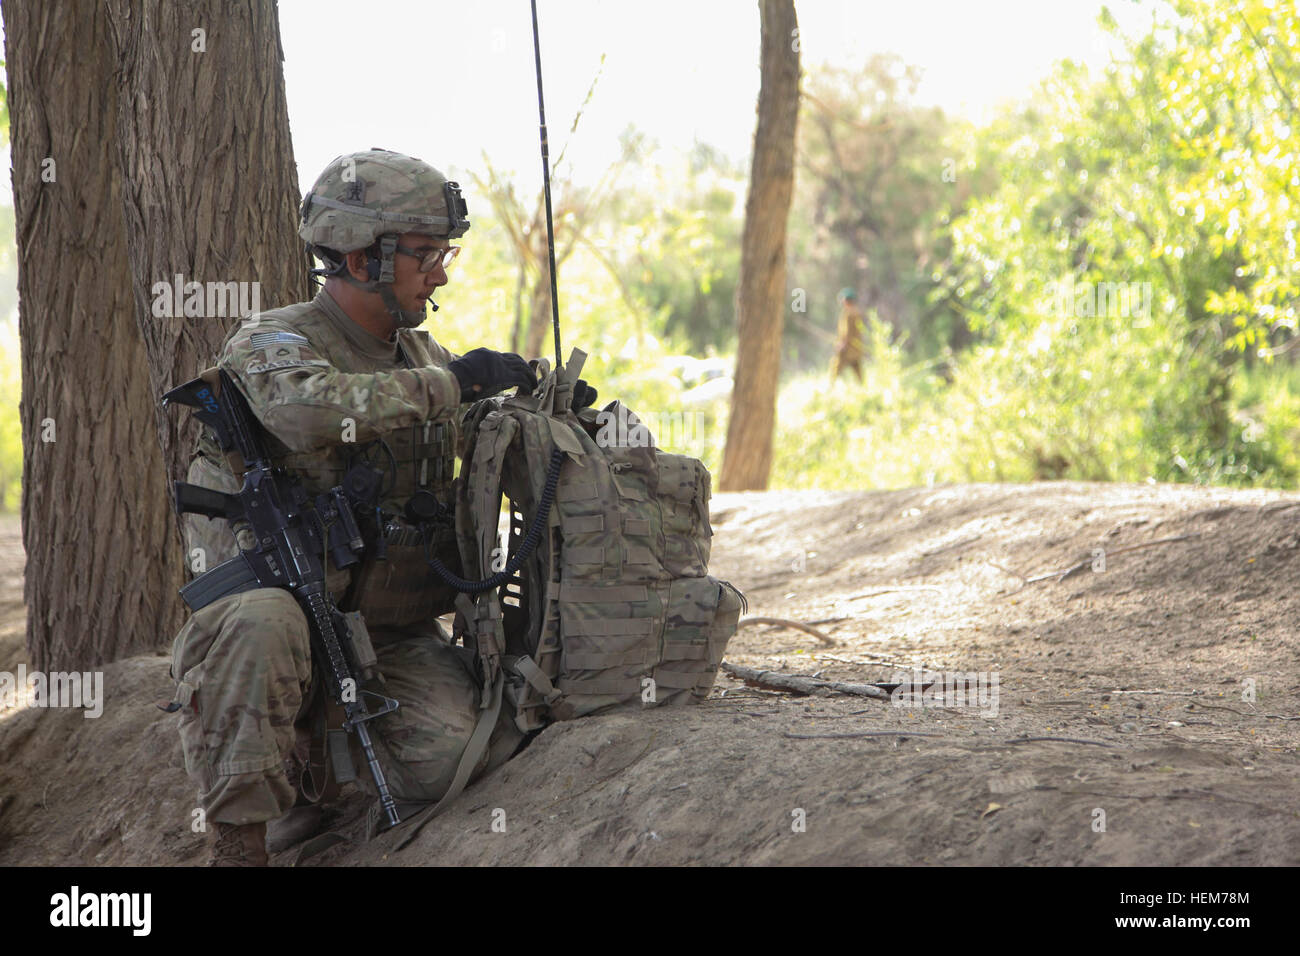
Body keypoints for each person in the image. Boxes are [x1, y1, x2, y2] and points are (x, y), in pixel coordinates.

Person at [166, 148, 563, 866]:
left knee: (462, 756)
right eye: (425, 254)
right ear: (359, 259)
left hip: (386, 636)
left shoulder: (421, 356)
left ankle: (330, 779)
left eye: (445, 252)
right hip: (275, 621)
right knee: (260, 623)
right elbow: (306, 410)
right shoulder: (273, 341)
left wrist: (536, 418)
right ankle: (241, 840)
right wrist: (454, 384)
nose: (440, 271)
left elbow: (459, 448)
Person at [829, 287, 865, 384]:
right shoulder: (857, 312)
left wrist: (842, 344)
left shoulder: (848, 314)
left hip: (847, 349)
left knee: (835, 368)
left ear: (847, 300)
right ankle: (865, 391)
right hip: (857, 348)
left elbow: (847, 332)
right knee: (858, 373)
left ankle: (830, 389)